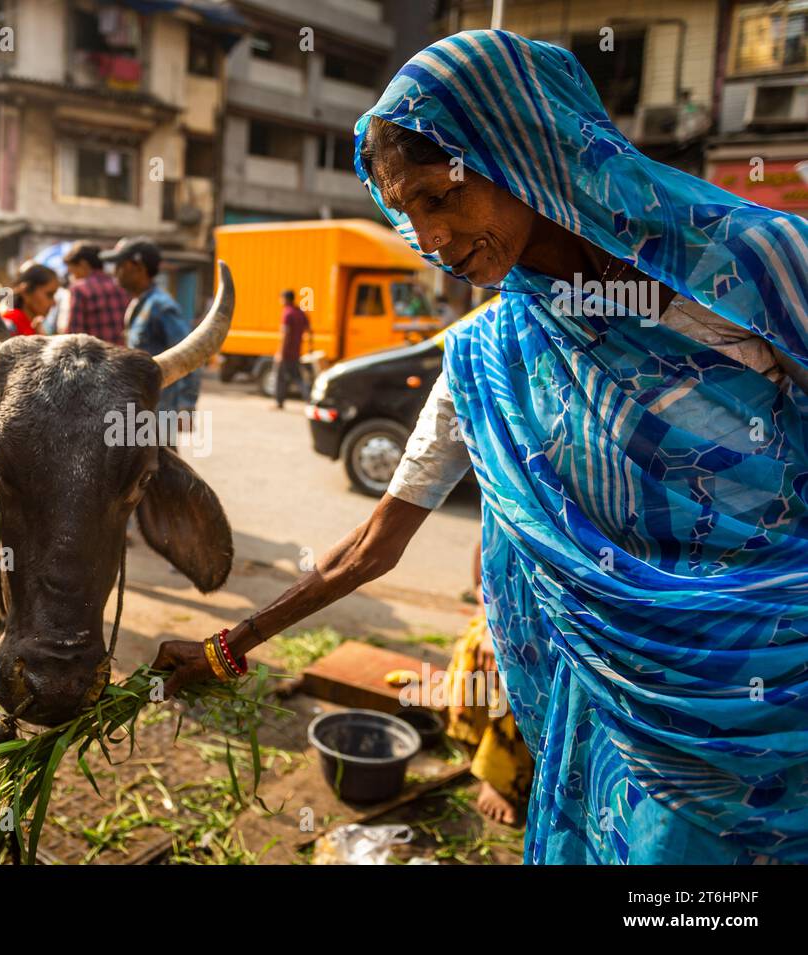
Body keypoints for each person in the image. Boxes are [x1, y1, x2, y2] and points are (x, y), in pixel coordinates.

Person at [154, 30, 808, 864]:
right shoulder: (489, 358)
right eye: (408, 214)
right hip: (616, 724)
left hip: (778, 700)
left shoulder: (747, 266)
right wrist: (226, 643)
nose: (427, 237)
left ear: (523, 147)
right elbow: (371, 544)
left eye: (438, 196)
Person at [444, 541, 534, 826]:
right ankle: (492, 765)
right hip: (502, 620)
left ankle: (510, 774)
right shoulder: (519, 503)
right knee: (499, 663)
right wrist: (492, 624)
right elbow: (482, 573)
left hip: (564, 631)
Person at [103, 237, 198, 427]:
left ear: (138, 267)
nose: (115, 272)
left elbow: (190, 355)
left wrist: (185, 407)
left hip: (161, 412)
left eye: (120, 265)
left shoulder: (162, 306)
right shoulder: (139, 303)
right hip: (142, 408)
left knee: (162, 455)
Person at [60, 241, 128, 345]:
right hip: (122, 355)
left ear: (83, 264)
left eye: (72, 271)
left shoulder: (79, 289)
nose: (72, 277)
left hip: (94, 357)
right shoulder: (121, 286)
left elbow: (74, 336)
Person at [273, 289, 312, 409]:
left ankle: (279, 403)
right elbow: (309, 330)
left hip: (287, 353)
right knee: (297, 378)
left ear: (285, 299)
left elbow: (285, 335)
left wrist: (280, 353)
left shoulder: (287, 313)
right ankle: (309, 399)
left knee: (281, 378)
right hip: (296, 351)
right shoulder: (300, 312)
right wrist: (311, 347)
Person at [0, 262, 58, 337]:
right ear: (26, 292)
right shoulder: (9, 326)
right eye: (49, 295)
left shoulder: (31, 327)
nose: (54, 303)